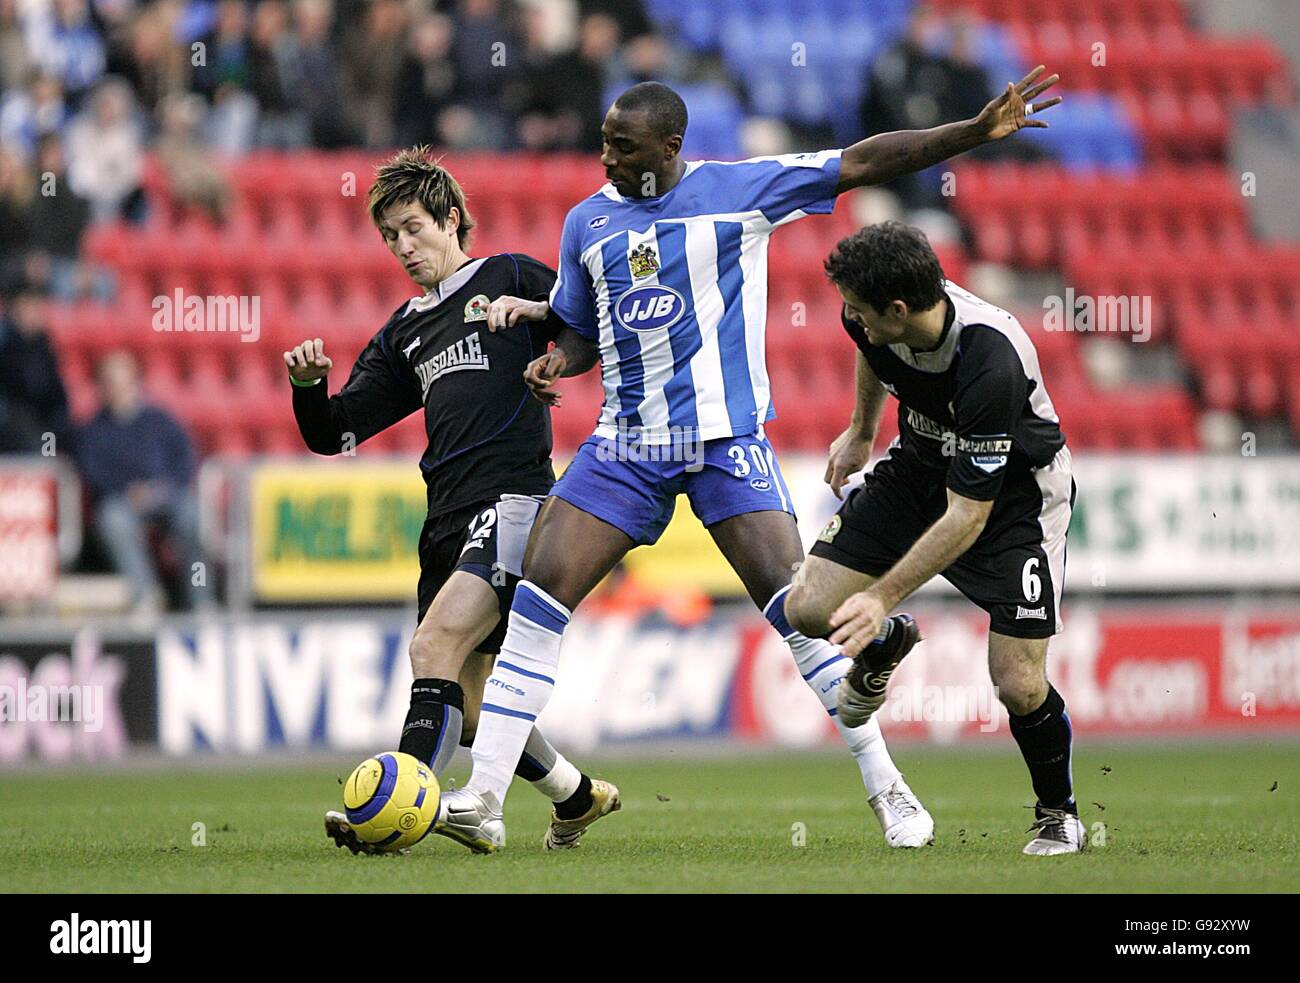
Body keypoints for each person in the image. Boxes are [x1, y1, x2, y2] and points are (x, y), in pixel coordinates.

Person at [440, 68, 1060, 852]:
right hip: (627, 444)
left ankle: (891, 791)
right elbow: (580, 327)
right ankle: (485, 799)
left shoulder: (743, 190)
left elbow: (864, 162)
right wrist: (558, 361)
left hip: (728, 443)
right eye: (602, 144)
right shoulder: (584, 223)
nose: (605, 160)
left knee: (799, 613)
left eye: (622, 148)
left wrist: (972, 132)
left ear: (669, 148)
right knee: (539, 597)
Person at [283, 147, 616, 854]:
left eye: (413, 228)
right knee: (467, 705)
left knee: (432, 644)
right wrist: (309, 388)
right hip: (444, 520)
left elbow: (587, 330)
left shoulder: (511, 277)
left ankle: (395, 812)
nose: (404, 247)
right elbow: (335, 432)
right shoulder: (406, 331)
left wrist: (554, 359)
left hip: (515, 502)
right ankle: (577, 796)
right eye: (390, 237)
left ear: (452, 219)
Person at [783, 221, 1082, 856]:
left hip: (1013, 500)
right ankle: (889, 642)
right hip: (918, 466)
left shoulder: (989, 360)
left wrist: (880, 593)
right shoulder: (871, 317)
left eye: (862, 313)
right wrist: (862, 429)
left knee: (1018, 682)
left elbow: (967, 518)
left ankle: (1059, 813)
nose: (851, 321)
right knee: (806, 608)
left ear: (897, 309)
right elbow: (872, 351)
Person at [76, 350, 206, 615]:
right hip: (122, 500)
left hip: (165, 494)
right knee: (113, 521)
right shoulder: (93, 430)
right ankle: (145, 596)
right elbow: (93, 473)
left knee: (193, 516)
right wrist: (127, 490)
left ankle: (200, 600)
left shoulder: (160, 420)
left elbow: (185, 459)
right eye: (110, 382)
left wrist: (162, 488)